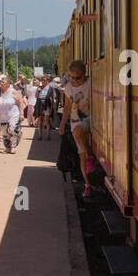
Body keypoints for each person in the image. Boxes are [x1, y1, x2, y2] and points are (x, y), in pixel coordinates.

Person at [61, 60, 96, 197]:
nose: (74, 80)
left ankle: (91, 157)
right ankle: (87, 185)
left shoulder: (90, 83)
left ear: (84, 74)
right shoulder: (69, 87)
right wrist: (63, 124)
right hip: (76, 120)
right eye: (71, 77)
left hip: (90, 118)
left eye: (77, 77)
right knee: (81, 155)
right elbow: (67, 108)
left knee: (77, 132)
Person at [0, 78, 26, 154]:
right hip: (2, 115)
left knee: (12, 129)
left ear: (8, 84)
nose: (1, 83)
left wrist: (21, 114)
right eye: (1, 82)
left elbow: (21, 102)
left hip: (13, 114)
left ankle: (13, 146)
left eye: (3, 81)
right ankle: (8, 147)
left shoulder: (13, 92)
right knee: (5, 132)